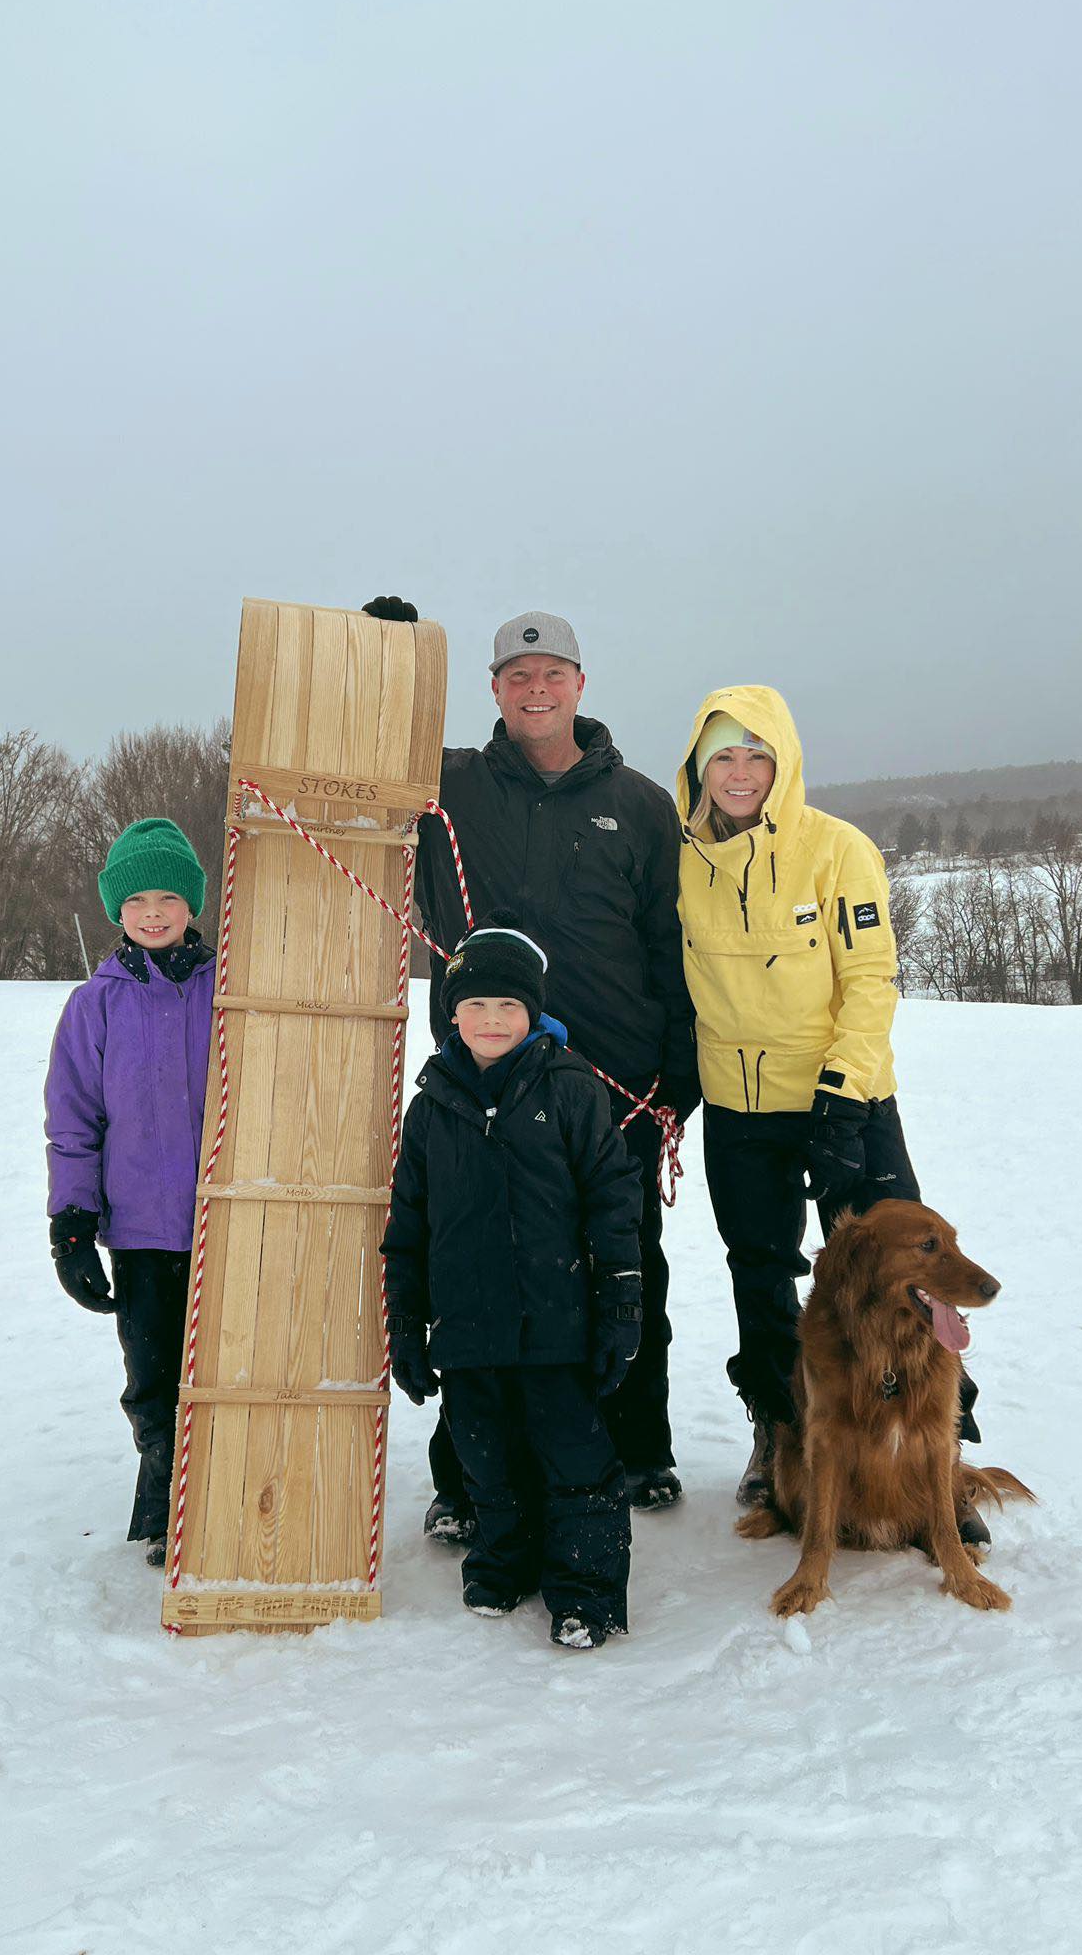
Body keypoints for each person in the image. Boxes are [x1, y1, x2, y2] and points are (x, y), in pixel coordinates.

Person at [362, 599, 699, 1529]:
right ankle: (469, 1479)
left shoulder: (638, 806)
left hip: (615, 1090)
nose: (536, 689)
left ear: (581, 685)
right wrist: (385, 650)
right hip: (487, 1086)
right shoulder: (451, 790)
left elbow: (670, 949)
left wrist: (679, 1078)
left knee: (625, 1268)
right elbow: (367, 747)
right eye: (518, 676)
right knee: (478, 1269)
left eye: (553, 674)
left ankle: (638, 1448)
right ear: (496, 691)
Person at [674, 687, 985, 1532]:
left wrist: (842, 1095)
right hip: (741, 1108)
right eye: (723, 758)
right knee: (760, 1273)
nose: (740, 774)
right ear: (699, 770)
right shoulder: (684, 862)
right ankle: (780, 1431)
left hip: (843, 1103)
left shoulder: (837, 850)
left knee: (903, 1271)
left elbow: (871, 980)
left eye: (756, 756)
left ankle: (940, 1454)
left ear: (783, 762)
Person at [381, 925, 645, 1648]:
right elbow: (407, 1225)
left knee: (575, 1462)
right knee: (485, 1458)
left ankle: (585, 1593)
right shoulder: (432, 1106)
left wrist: (620, 1302)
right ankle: (504, 1560)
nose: (492, 1020)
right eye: (474, 1005)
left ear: (533, 1011)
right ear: (451, 1015)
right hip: (469, 1331)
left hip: (558, 1324)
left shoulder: (571, 1090)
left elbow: (614, 1202)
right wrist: (405, 1322)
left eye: (508, 1005)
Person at [43, 818, 215, 1566]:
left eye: (169, 896)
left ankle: (214, 1497)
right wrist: (72, 1225)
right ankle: (165, 1498)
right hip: (144, 1231)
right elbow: (74, 1122)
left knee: (220, 1369)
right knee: (154, 1375)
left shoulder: (230, 990)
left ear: (192, 905)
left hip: (227, 1222)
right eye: (137, 897)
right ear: (117, 908)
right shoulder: (95, 1005)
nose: (153, 912)